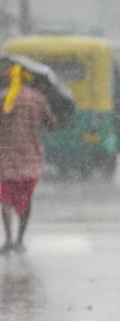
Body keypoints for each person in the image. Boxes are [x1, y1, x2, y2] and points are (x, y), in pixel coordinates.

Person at [0, 66, 57, 253]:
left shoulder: (4, 97)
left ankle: (8, 239)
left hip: (5, 155)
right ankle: (19, 239)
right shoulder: (38, 99)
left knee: (6, 198)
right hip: (30, 156)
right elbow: (50, 124)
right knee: (26, 197)